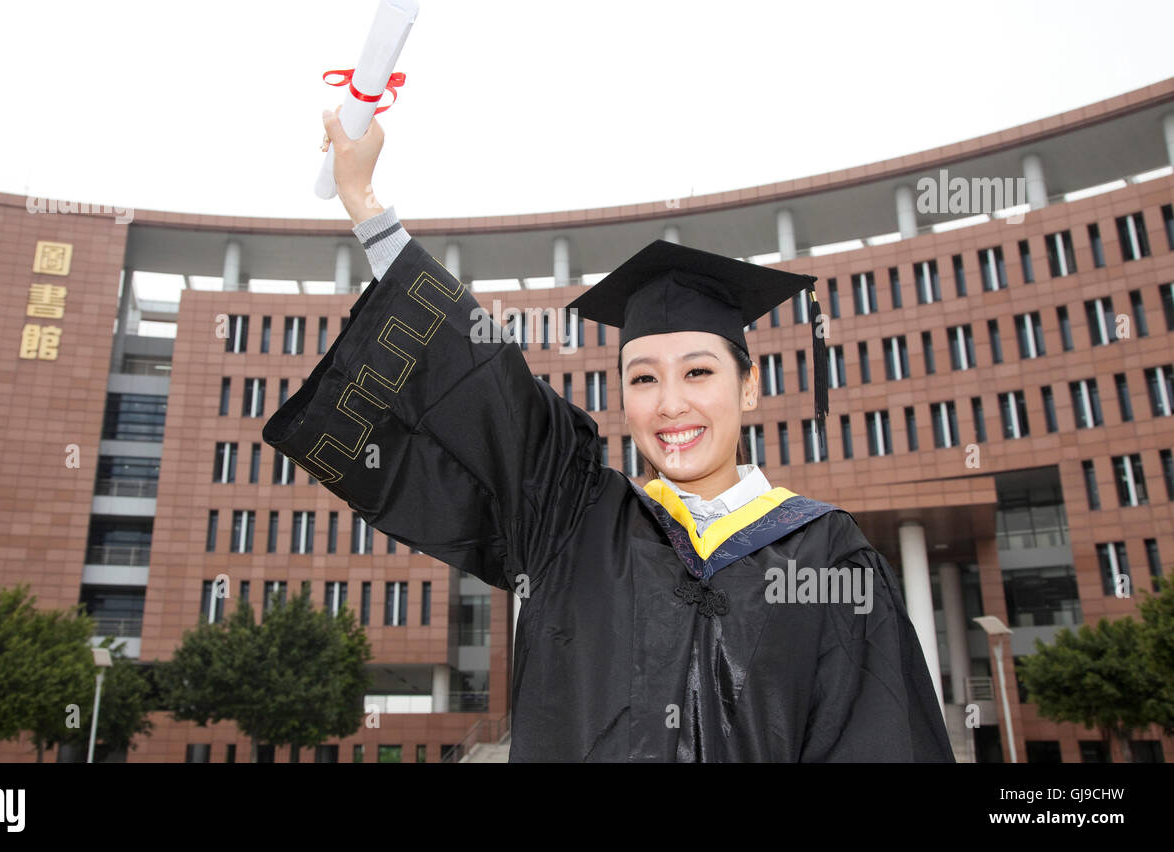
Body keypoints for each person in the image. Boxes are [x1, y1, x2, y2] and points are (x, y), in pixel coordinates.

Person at [261, 107, 956, 762]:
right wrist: (366, 203)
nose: (671, 405)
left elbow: (881, 738)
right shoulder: (573, 520)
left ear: (749, 386)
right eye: (644, 379)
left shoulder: (829, 557)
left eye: (698, 372)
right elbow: (483, 383)